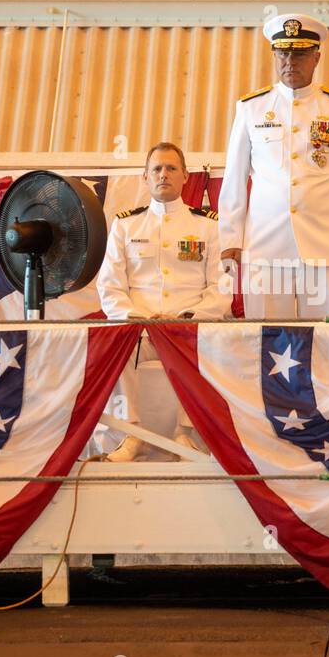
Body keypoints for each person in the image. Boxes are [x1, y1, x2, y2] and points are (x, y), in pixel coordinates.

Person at [219, 13, 329, 318]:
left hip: (325, 247)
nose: (290, 61)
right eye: (283, 53)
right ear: (275, 56)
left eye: (300, 54)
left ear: (316, 57)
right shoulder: (251, 108)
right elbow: (234, 178)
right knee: (268, 336)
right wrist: (230, 238)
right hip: (265, 247)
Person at [97, 142, 230, 461]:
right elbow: (109, 286)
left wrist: (187, 318)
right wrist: (135, 318)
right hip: (139, 329)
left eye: (171, 168)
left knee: (211, 344)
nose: (163, 174)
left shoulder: (209, 226)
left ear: (185, 176)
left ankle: (186, 435)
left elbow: (221, 287)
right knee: (115, 343)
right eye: (156, 169)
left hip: (188, 327)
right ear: (145, 177)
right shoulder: (126, 225)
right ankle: (132, 434)